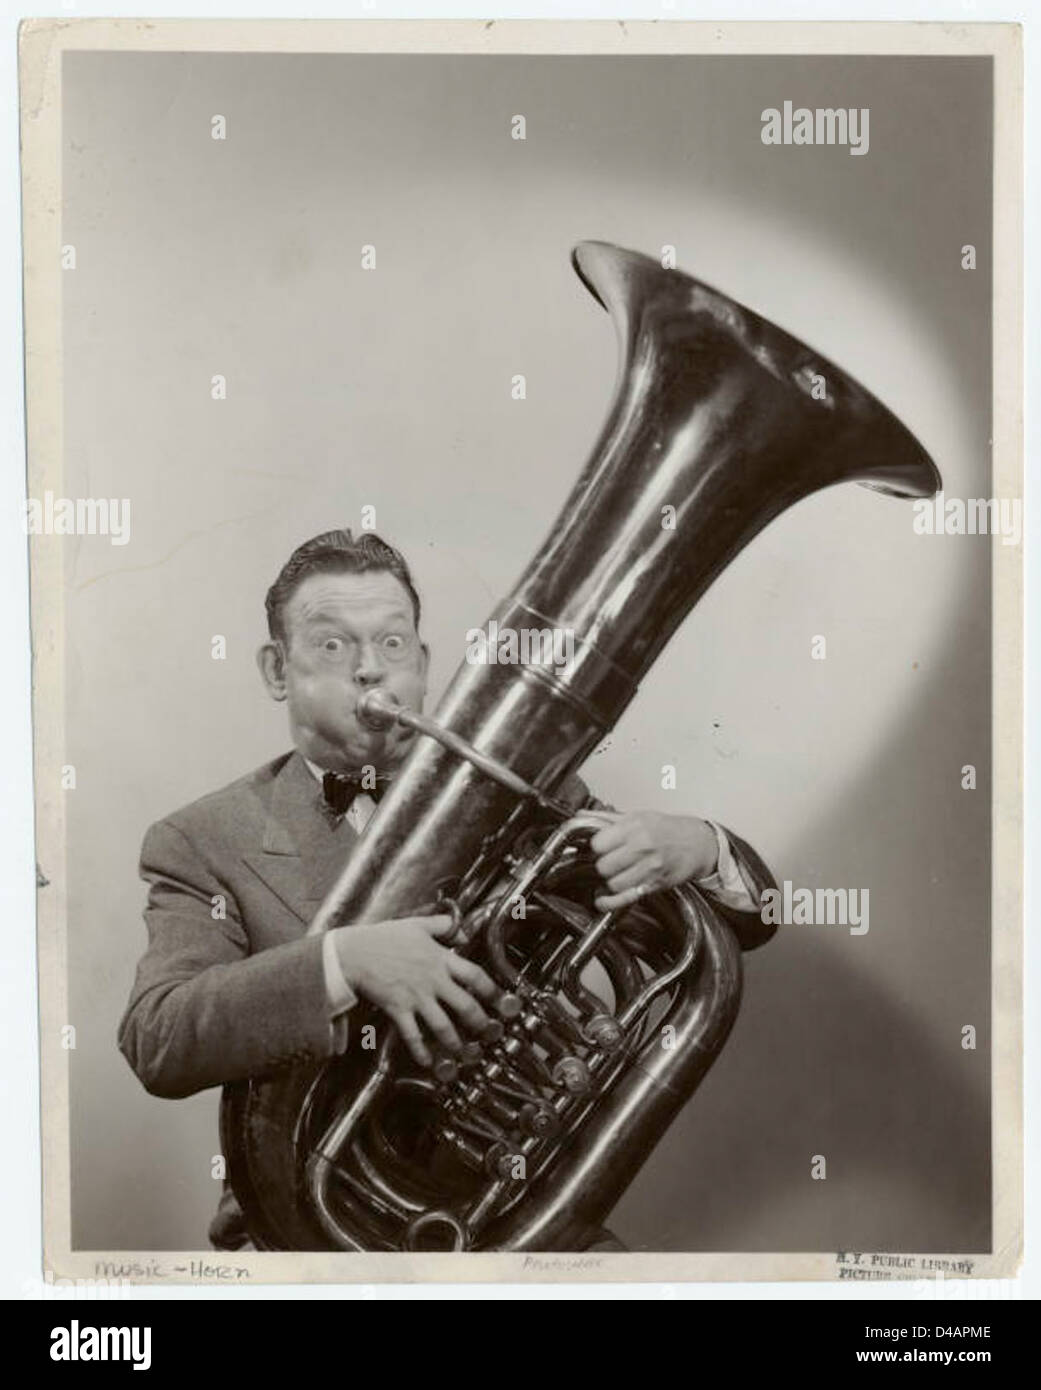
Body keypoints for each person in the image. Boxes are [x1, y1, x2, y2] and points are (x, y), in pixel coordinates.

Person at [118, 529, 776, 1250]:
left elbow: (746, 923)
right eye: (333, 647)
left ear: (425, 665)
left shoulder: (520, 796)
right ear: (278, 669)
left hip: (510, 1215)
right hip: (313, 1237)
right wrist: (344, 962)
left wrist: (697, 847)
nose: (372, 672)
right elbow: (160, 1038)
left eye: (393, 644)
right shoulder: (204, 840)